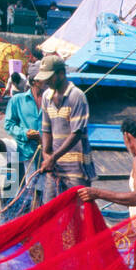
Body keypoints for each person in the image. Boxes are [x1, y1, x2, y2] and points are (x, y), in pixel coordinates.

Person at [36, 54, 95, 200]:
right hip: (55, 163)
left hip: (76, 165)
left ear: (61, 73)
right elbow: (46, 130)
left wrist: (53, 158)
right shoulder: (46, 96)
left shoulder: (77, 96)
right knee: (49, 205)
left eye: (50, 77)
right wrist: (46, 154)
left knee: (76, 207)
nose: (46, 81)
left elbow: (76, 133)